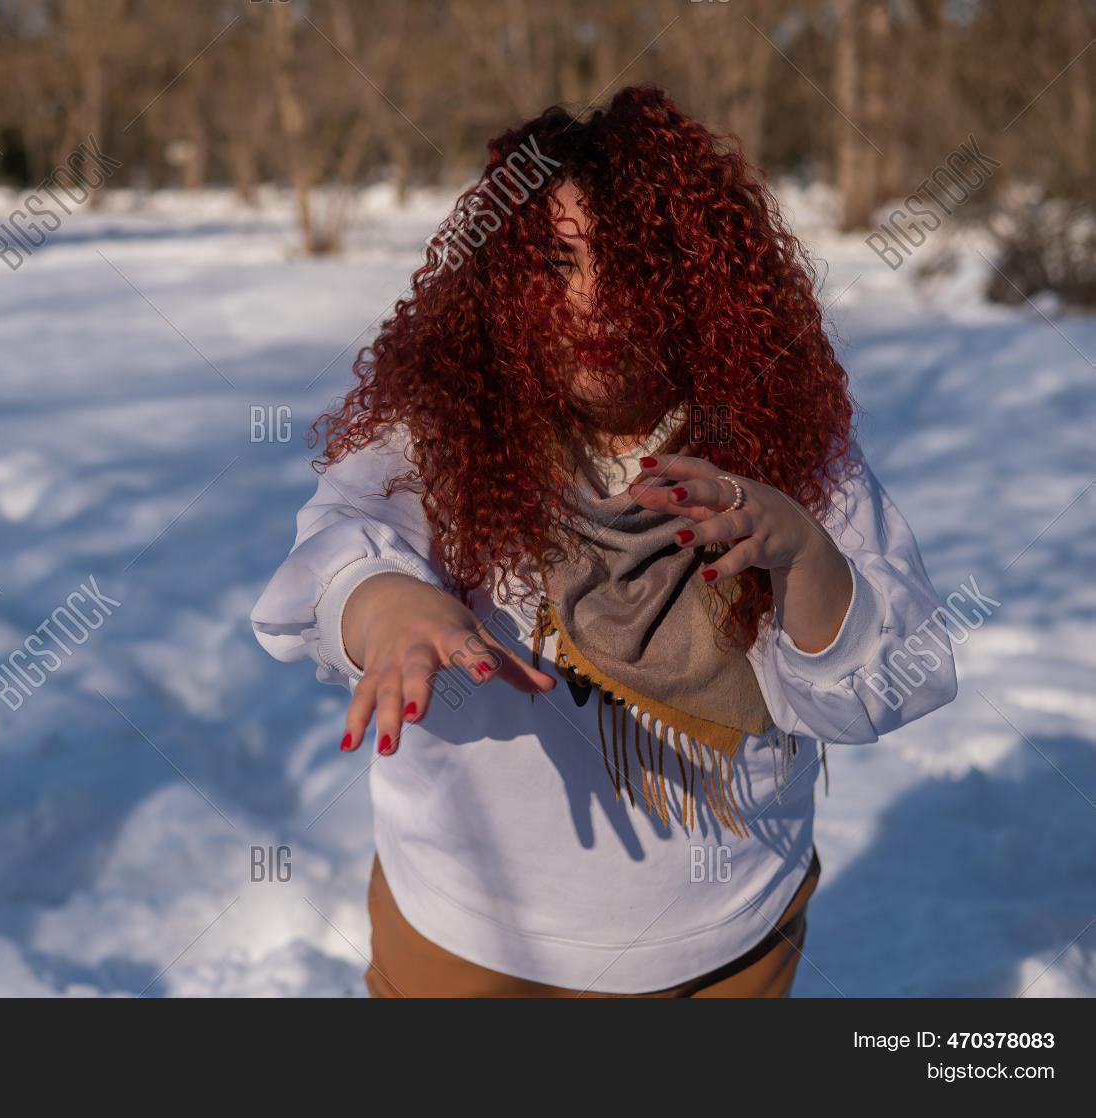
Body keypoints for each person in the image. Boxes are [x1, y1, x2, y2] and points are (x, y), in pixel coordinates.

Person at [250, 86, 957, 997]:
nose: (592, 300)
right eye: (554, 260)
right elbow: (337, 549)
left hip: (723, 947)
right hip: (471, 945)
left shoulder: (784, 436)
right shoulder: (441, 430)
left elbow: (888, 680)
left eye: (632, 264)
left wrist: (808, 557)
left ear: (702, 276)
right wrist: (385, 605)